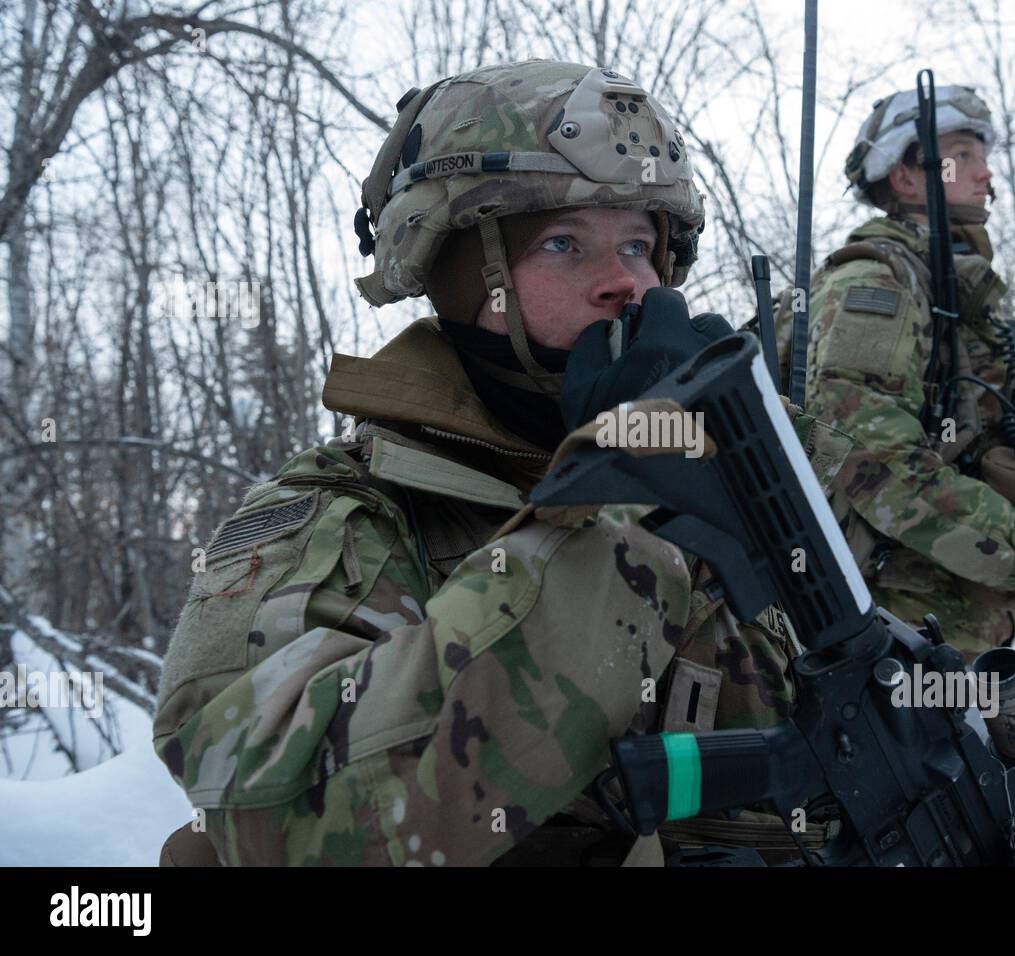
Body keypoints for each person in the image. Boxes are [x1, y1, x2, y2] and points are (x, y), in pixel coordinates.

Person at [152, 59, 845, 867]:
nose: (624, 284)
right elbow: (270, 818)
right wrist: (623, 491)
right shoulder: (349, 516)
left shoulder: (736, 468)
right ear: (456, 270)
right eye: (563, 244)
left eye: (638, 244)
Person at [784, 83, 1015, 661]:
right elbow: (865, 454)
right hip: (894, 637)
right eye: (962, 155)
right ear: (906, 176)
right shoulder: (874, 283)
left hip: (955, 623)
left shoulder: (949, 289)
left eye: (984, 157)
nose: (986, 174)